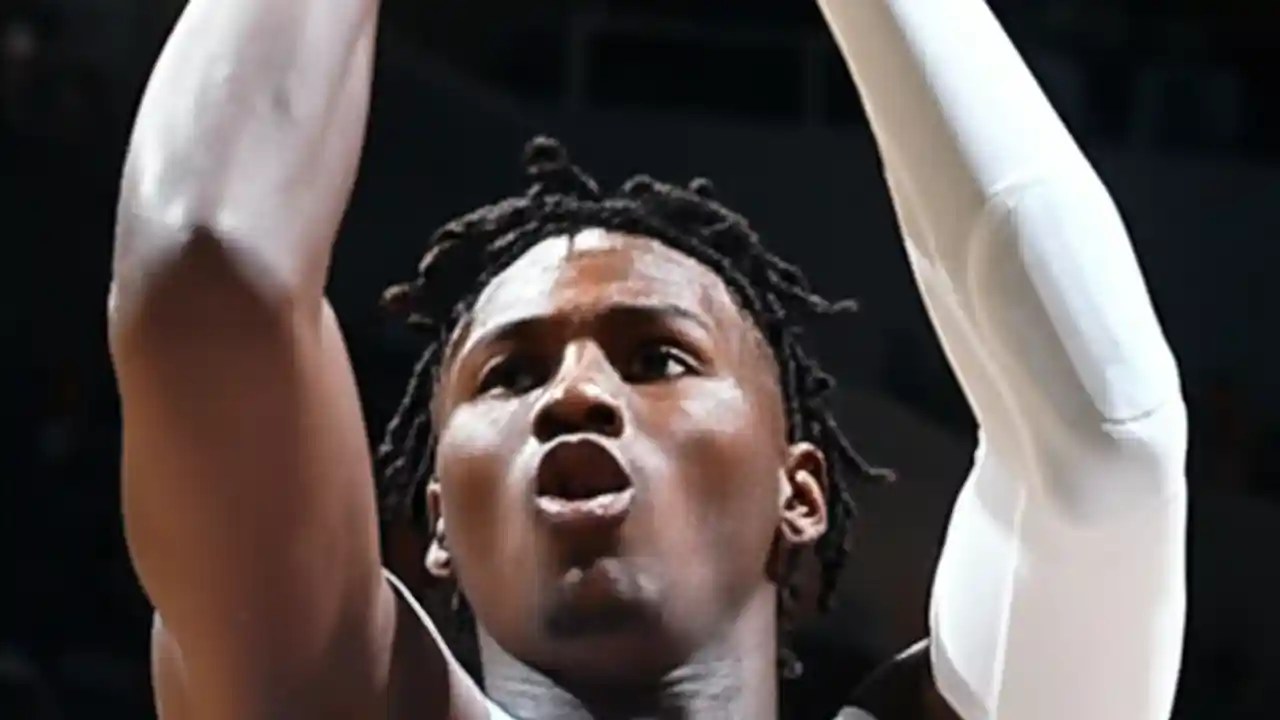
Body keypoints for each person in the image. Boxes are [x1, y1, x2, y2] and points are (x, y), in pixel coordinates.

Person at [107, 0, 1188, 718]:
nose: (574, 397)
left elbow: (1104, 454)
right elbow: (206, 272)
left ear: (796, 490)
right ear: (433, 518)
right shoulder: (329, 695)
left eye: (658, 358)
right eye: (509, 376)